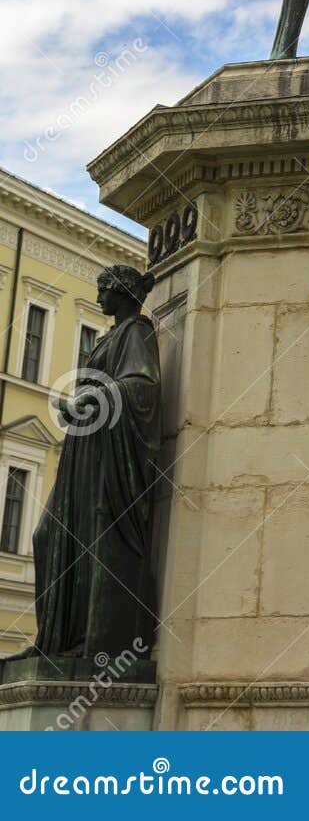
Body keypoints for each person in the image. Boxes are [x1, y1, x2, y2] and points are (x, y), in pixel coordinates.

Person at [27, 264, 160, 663]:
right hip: (85, 449)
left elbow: (142, 386)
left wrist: (90, 398)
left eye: (104, 288)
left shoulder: (137, 332)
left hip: (106, 457)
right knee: (47, 535)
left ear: (121, 292)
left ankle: (97, 639)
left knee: (89, 538)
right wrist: (79, 407)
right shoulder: (112, 336)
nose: (99, 295)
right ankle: (56, 639)